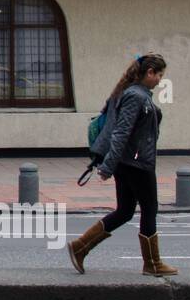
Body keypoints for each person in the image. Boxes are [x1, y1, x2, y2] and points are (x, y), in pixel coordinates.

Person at [67, 53, 178, 277]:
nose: (160, 80)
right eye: (159, 75)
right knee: (149, 208)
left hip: (128, 162)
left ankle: (80, 247)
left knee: (125, 211)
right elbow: (121, 132)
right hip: (136, 164)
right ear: (149, 73)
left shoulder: (136, 94)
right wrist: (107, 166)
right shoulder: (135, 96)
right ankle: (152, 263)